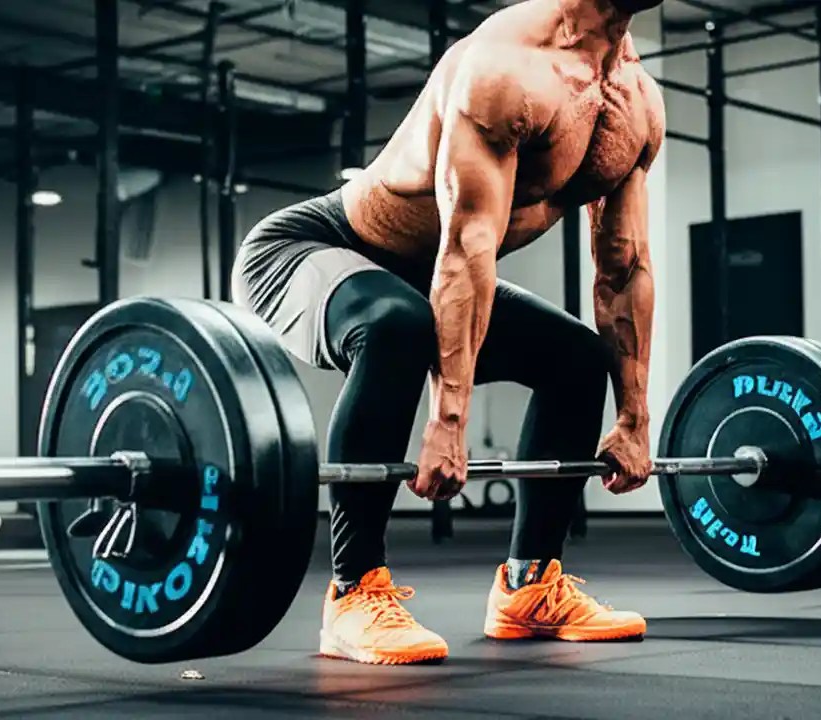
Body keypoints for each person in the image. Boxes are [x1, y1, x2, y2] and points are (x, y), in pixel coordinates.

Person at [232, 0, 666, 665]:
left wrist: (634, 418)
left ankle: (529, 587)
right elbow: (468, 245)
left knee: (578, 359)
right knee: (398, 326)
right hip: (309, 250)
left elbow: (626, 263)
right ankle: (352, 593)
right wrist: (449, 420)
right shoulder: (508, 66)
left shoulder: (633, 99)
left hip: (422, 271)